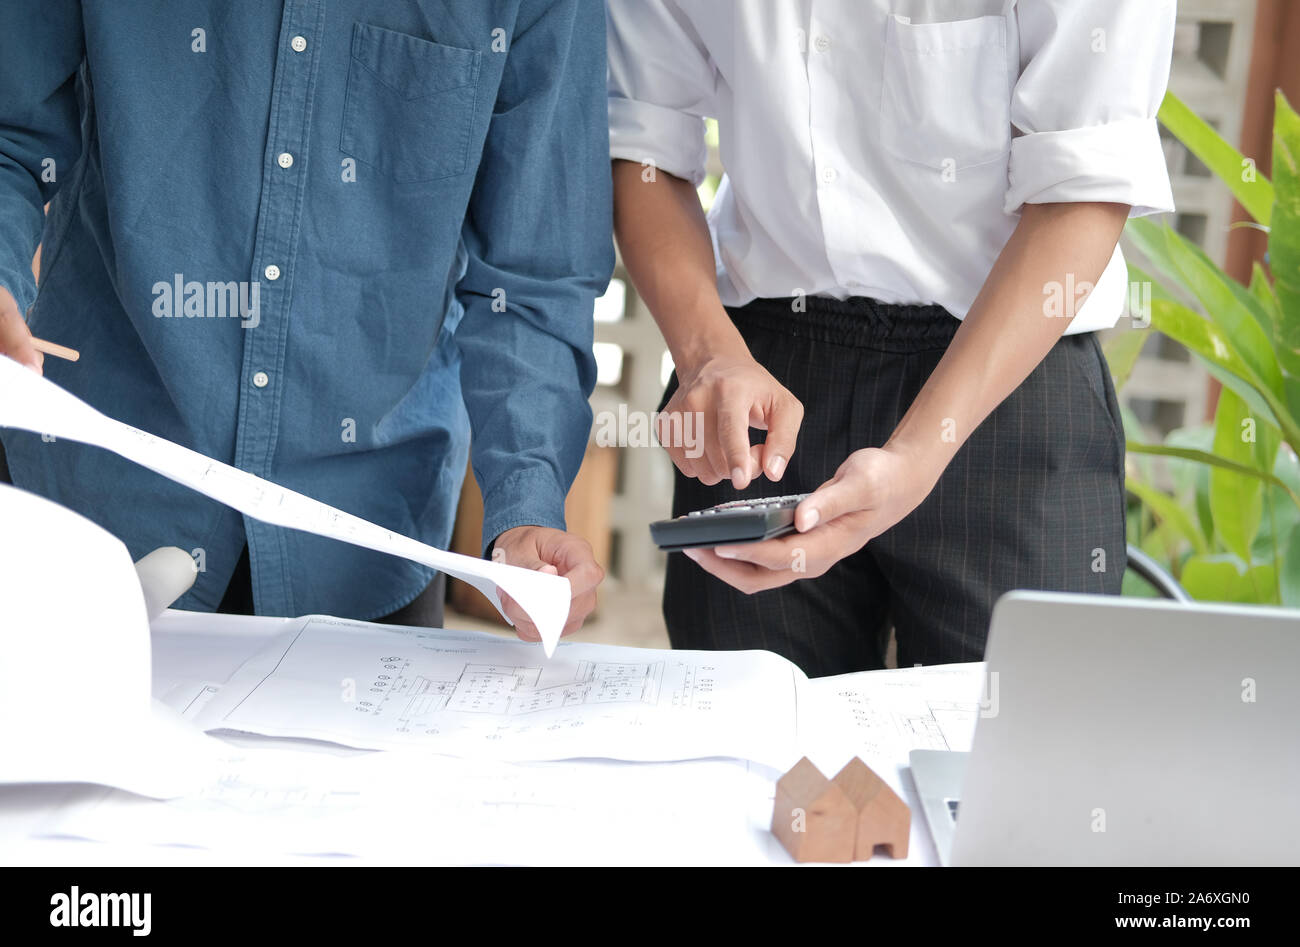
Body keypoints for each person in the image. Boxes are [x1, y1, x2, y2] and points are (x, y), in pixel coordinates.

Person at [0, 1, 613, 640]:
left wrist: (525, 501)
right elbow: (9, 136)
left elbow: (535, 269)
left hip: (371, 538)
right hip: (99, 502)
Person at [608, 0, 1176, 677]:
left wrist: (916, 454)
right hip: (762, 380)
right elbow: (642, 141)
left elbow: (1083, 188)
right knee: (757, 761)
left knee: (996, 762)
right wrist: (709, 355)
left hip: (1006, 385)